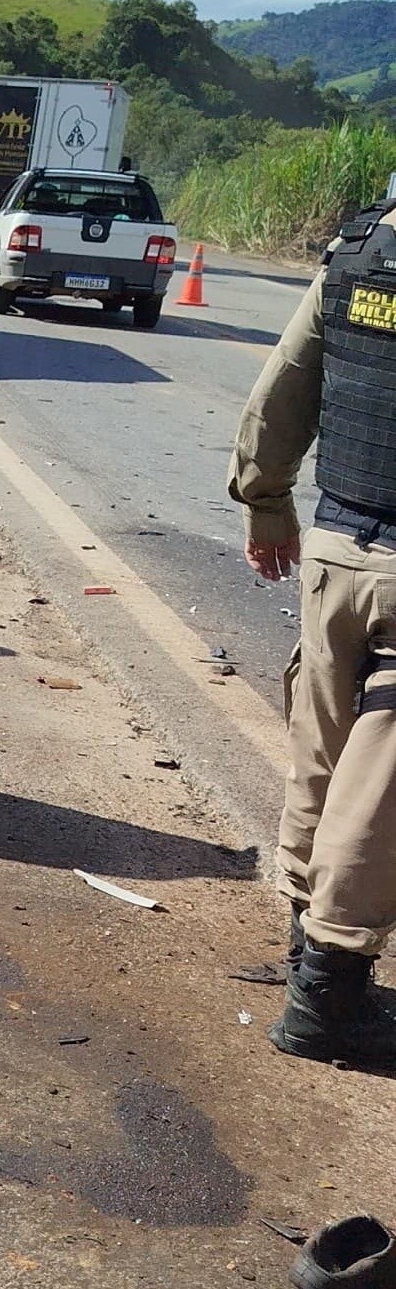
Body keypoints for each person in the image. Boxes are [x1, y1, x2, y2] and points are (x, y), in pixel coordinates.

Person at [231, 195, 396, 1064]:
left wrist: (266, 504)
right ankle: (329, 991)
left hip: (339, 545)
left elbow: (281, 392)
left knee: (324, 742)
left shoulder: (363, 249)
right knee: (382, 775)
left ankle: (303, 939)